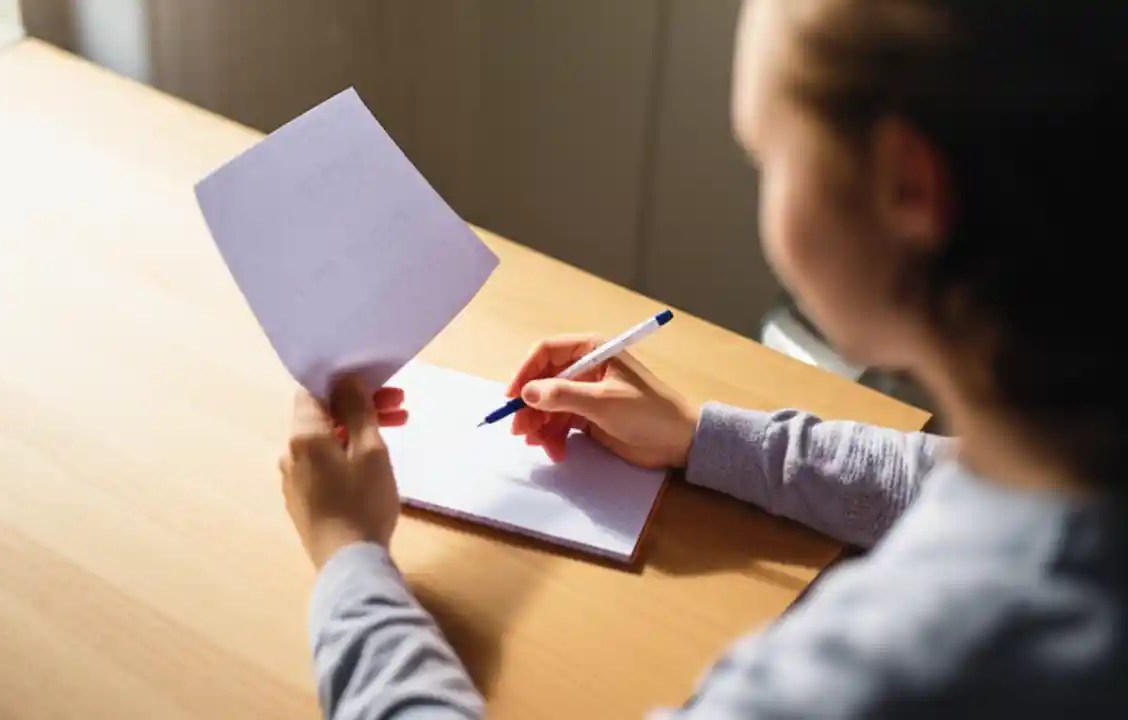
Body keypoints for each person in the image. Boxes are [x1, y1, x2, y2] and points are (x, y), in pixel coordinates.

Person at [277, 0, 1126, 716]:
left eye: (766, 155)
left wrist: (351, 561)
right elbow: (935, 480)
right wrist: (701, 438)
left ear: (907, 185)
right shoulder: (1071, 459)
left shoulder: (888, 672)